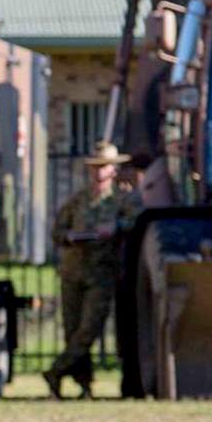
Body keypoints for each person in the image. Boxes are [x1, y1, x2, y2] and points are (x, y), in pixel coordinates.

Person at [43, 141, 141, 400]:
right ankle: (83, 384)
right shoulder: (78, 200)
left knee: (89, 329)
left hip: (102, 273)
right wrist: (71, 236)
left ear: (113, 170)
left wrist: (116, 227)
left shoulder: (122, 200)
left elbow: (136, 221)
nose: (99, 172)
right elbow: (57, 232)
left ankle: (55, 370)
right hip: (73, 271)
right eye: (95, 167)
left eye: (104, 167)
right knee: (73, 330)